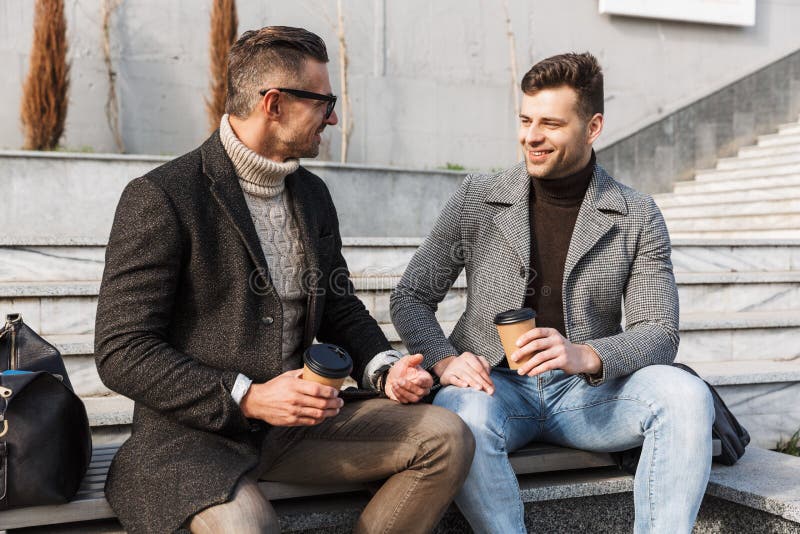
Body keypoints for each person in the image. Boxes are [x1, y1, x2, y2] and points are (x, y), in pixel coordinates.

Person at [95, 26, 474, 534]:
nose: (333, 117)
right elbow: (121, 349)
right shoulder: (163, 196)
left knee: (447, 435)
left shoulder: (312, 193)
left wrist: (386, 369)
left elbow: (338, 306)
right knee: (249, 528)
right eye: (324, 101)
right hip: (193, 441)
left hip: (299, 430)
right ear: (273, 104)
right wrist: (248, 396)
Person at [390, 52, 714, 533]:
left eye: (550, 124)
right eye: (525, 120)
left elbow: (660, 332)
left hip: (588, 396)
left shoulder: (637, 214)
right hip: (492, 390)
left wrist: (583, 354)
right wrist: (443, 361)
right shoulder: (478, 197)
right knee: (459, 412)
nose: (531, 136)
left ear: (593, 126)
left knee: (687, 395)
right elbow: (410, 297)